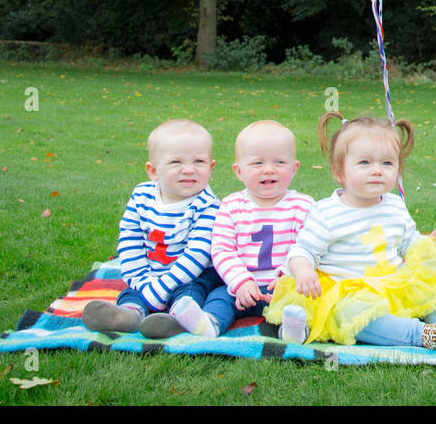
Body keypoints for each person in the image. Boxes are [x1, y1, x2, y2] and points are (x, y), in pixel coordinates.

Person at [265, 113, 436, 349]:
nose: (377, 170)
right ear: (339, 172)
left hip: (392, 285)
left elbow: (407, 240)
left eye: (386, 163)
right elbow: (302, 250)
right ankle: (423, 334)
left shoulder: (394, 205)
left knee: (429, 293)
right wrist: (303, 271)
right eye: (364, 163)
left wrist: (425, 243)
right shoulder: (327, 213)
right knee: (357, 317)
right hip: (348, 292)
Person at [164, 120, 314, 338]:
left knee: (303, 302)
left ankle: (294, 330)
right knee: (219, 298)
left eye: (280, 162)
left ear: (294, 168)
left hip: (282, 285)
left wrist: (288, 277)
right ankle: (208, 323)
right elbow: (222, 250)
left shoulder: (303, 205)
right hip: (241, 285)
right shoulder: (231, 206)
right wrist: (241, 281)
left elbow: (307, 247)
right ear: (239, 171)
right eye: (257, 163)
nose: (269, 170)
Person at [82, 119, 222, 337]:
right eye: (176, 162)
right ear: (153, 171)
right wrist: (140, 280)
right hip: (148, 272)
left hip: (189, 275)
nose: (188, 169)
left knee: (191, 293)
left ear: (210, 167)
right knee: (131, 292)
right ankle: (128, 315)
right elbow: (130, 240)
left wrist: (161, 289)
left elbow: (198, 254)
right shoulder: (141, 196)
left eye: (199, 161)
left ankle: (177, 318)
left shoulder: (208, 206)